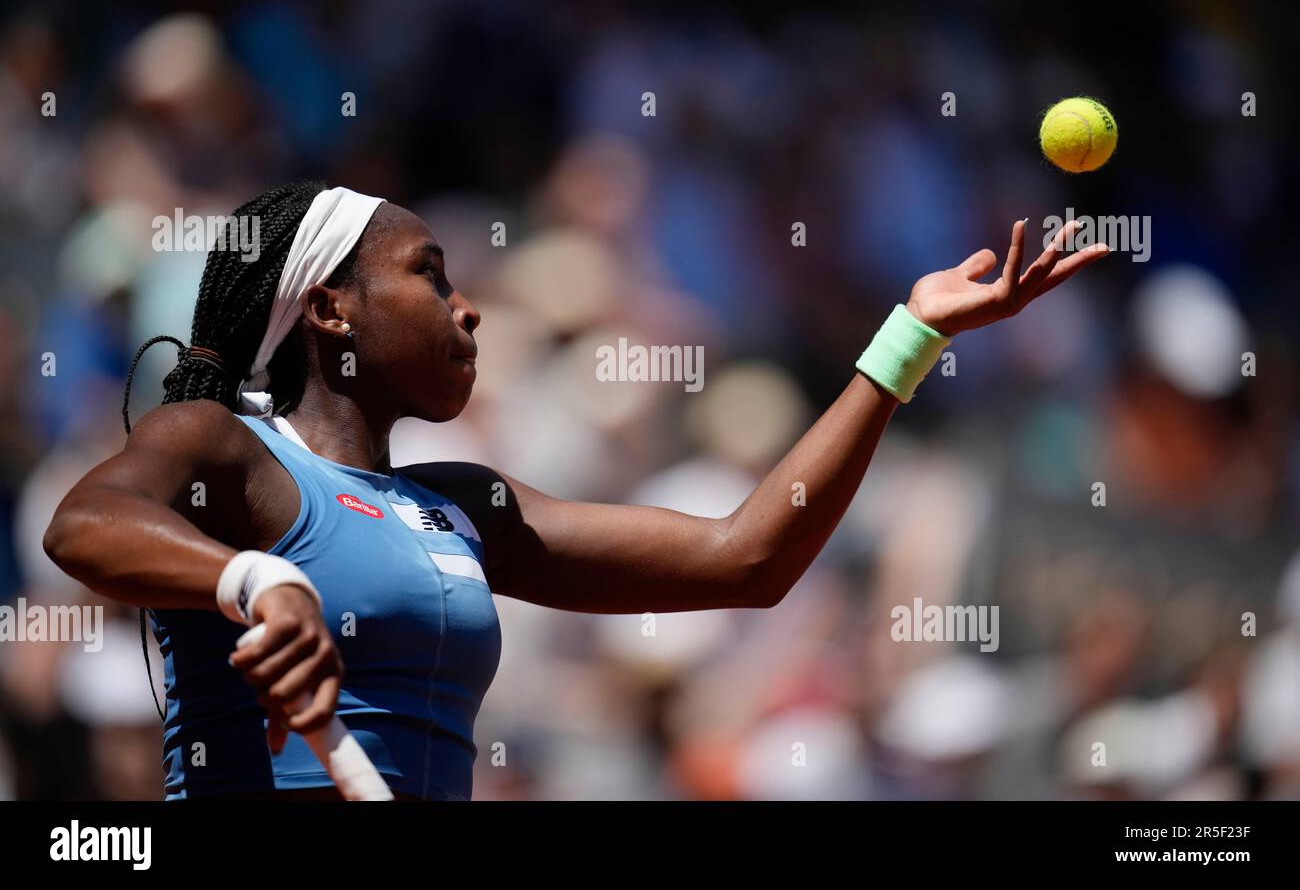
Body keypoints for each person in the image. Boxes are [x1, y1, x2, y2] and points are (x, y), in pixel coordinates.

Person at [41, 180, 1108, 799]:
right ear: (330, 310)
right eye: (431, 273)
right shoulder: (221, 450)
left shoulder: (463, 508)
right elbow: (84, 524)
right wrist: (254, 579)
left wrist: (909, 335)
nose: (467, 310)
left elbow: (747, 556)